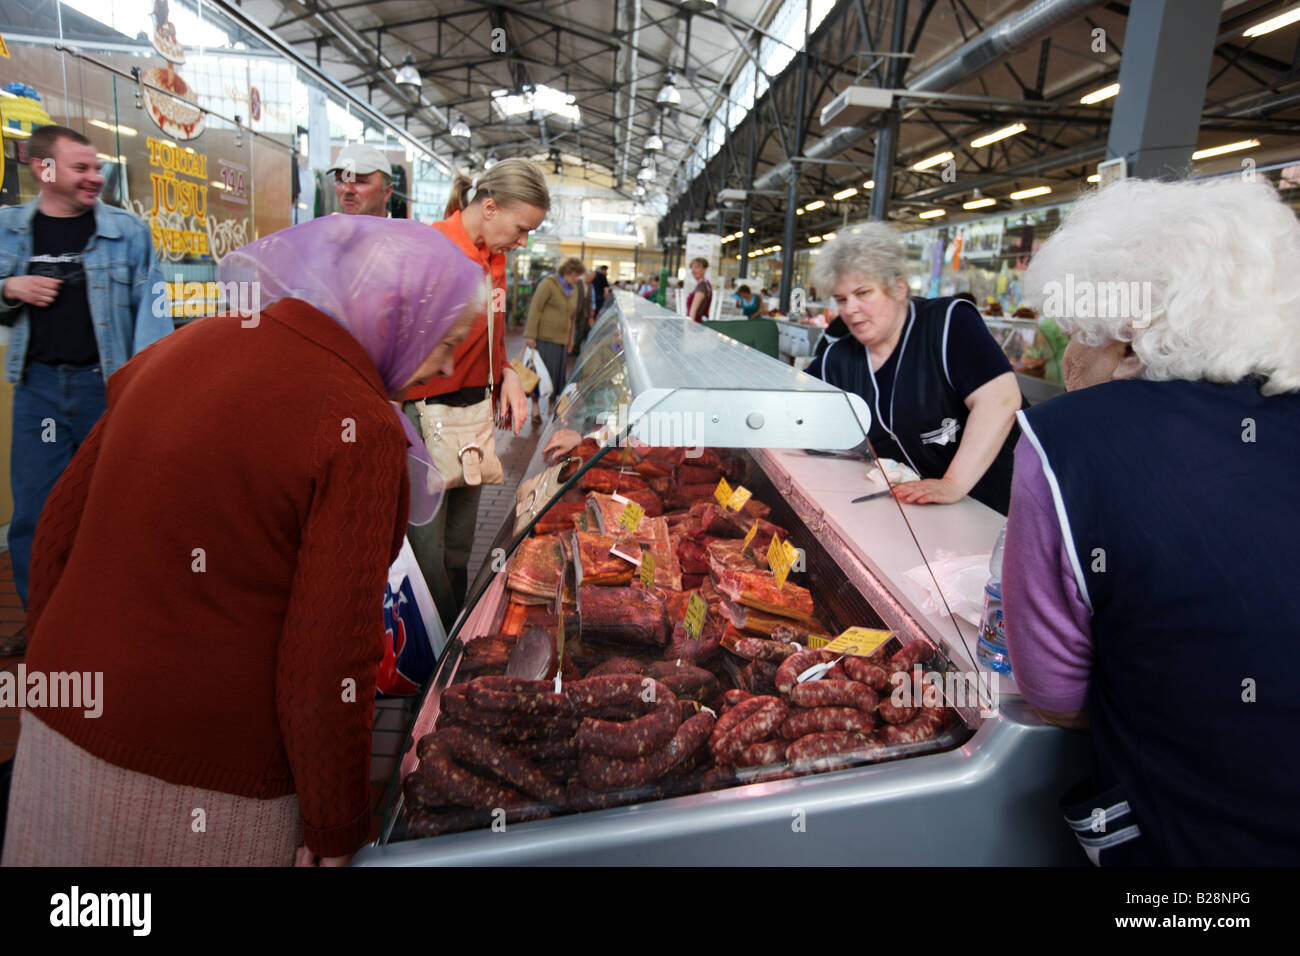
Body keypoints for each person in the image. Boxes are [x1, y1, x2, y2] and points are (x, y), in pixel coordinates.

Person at [2, 216, 484, 866]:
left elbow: (57, 532)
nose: (447, 365)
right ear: (395, 317)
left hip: (59, 727)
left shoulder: (183, 346)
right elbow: (331, 655)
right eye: (446, 340)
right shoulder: (359, 425)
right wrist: (336, 828)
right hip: (207, 776)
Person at [1002, 177, 1300, 865]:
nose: (1067, 361)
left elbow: (1054, 694)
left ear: (1132, 345)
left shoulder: (1068, 439)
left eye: (1077, 337)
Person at [0, 125, 171, 656]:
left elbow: (154, 311)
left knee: (115, 512)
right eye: (82, 168)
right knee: (34, 514)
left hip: (108, 389)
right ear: (42, 169)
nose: (95, 177)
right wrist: (9, 287)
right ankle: (45, 625)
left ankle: (113, 625)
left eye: (97, 167)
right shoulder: (8, 229)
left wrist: (144, 390)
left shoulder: (127, 233)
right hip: (39, 389)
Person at [401, 159, 545, 628]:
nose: (523, 242)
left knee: (459, 547)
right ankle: (431, 661)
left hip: (473, 417)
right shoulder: (430, 250)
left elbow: (492, 334)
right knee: (428, 553)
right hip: (425, 417)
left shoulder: (495, 259)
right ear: (489, 207)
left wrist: (504, 372)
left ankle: (453, 635)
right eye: (521, 228)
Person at [803, 224, 1023, 513]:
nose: (850, 309)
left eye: (863, 293)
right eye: (842, 300)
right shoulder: (838, 358)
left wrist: (952, 483)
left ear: (898, 287)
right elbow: (796, 402)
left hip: (1000, 507)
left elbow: (1001, 399)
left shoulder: (947, 324)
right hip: (920, 514)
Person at [525, 257, 583, 423]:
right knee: (539, 374)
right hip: (544, 338)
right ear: (568, 273)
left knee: (557, 377)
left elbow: (572, 317)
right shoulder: (548, 284)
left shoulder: (574, 289)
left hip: (562, 341)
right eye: (575, 276)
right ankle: (535, 409)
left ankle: (552, 406)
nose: (577, 279)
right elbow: (535, 308)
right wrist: (531, 334)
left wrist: (571, 340)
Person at [328, 143, 393, 218]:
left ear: (387, 192)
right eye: (341, 180)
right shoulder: (322, 229)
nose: (348, 189)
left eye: (360, 181)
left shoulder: (403, 230)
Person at [569, 268, 594, 356]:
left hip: (584, 312)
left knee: (580, 330)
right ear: (586, 276)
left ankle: (576, 349)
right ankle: (571, 348)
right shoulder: (577, 283)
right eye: (590, 277)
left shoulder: (590, 286)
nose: (591, 280)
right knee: (573, 330)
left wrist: (590, 313)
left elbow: (589, 300)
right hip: (576, 310)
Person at [685, 258, 713, 322]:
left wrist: (690, 326)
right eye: (692, 268)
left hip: (697, 325)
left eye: (696, 267)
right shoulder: (701, 284)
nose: (693, 270)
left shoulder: (702, 285)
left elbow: (694, 310)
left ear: (704, 269)